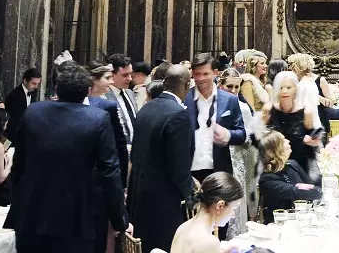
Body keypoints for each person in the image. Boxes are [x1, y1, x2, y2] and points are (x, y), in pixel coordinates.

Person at [5, 65, 129, 253]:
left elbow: (18, 165)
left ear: (57, 90)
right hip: (76, 217)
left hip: (31, 213)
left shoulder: (33, 112)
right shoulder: (98, 118)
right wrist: (120, 219)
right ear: (88, 91)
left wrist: (20, 201)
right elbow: (110, 172)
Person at [129, 63, 194, 253]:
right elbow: (179, 168)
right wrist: (190, 195)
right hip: (164, 201)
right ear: (187, 85)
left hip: (139, 196)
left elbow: (135, 154)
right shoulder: (179, 115)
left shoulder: (146, 109)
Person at [185, 53, 246, 187]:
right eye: (197, 74)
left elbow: (241, 134)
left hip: (218, 168)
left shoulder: (230, 100)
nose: (200, 79)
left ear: (215, 73)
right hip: (188, 171)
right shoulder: (184, 99)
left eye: (205, 74)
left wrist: (227, 135)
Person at [263, 70, 323, 178]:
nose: (284, 91)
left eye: (288, 87)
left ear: (295, 89)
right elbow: (261, 137)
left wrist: (312, 141)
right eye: (281, 88)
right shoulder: (269, 109)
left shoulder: (306, 112)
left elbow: (313, 139)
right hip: (274, 166)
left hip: (299, 166)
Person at [219, 67, 258, 232]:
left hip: (237, 159)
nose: (234, 91)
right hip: (219, 158)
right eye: (229, 86)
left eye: (237, 87)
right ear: (221, 85)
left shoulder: (242, 107)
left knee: (235, 203)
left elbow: (248, 137)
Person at [256, 129, 322, 223]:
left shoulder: (292, 164)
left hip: (302, 219)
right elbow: (297, 192)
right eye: (283, 141)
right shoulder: (267, 180)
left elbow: (310, 186)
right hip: (279, 226)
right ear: (274, 151)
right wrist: (322, 192)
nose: (288, 141)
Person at [170, 172, 245, 253]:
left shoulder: (183, 227)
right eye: (234, 208)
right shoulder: (208, 242)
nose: (233, 216)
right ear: (220, 206)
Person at [87, 61, 130, 189]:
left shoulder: (108, 104)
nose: (111, 82)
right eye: (107, 78)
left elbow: (119, 143)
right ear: (94, 80)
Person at [3, 67, 42, 146]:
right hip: (13, 137)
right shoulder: (14, 96)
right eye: (34, 83)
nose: (36, 87)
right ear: (25, 81)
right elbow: (14, 122)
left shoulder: (33, 92)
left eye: (38, 84)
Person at [104, 54, 137, 145]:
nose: (130, 79)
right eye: (125, 75)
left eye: (130, 74)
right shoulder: (104, 97)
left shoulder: (130, 93)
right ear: (112, 74)